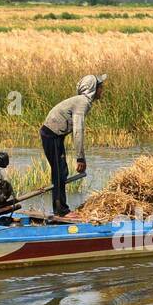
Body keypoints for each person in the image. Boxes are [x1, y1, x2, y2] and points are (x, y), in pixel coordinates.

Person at [40, 74, 105, 215]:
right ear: (93, 89)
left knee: (61, 171)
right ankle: (61, 210)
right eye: (100, 88)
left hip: (54, 135)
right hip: (52, 135)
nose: (102, 91)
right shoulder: (83, 103)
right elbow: (78, 131)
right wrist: (80, 158)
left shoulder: (82, 101)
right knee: (59, 172)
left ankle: (60, 208)